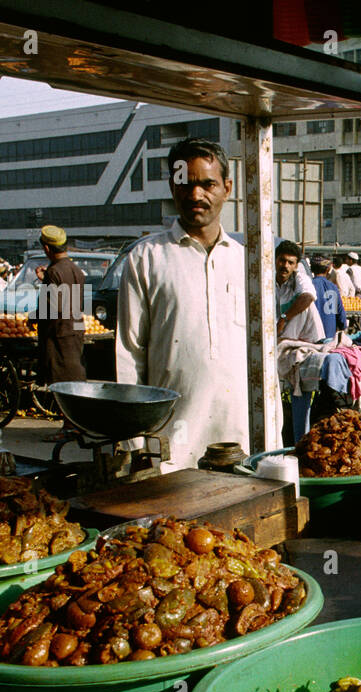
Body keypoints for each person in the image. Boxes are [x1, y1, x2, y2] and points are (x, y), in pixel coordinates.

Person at [116, 137, 249, 470]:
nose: (195, 195)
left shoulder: (248, 262)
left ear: (227, 187)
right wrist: (134, 441)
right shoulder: (146, 258)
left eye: (207, 184)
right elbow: (128, 354)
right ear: (171, 188)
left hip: (243, 437)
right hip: (173, 445)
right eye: (185, 185)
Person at [32, 225, 88, 440]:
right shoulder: (76, 270)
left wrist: (32, 319)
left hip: (58, 332)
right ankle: (77, 423)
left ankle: (69, 427)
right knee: (75, 379)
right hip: (75, 328)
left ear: (47, 248)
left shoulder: (54, 271)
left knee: (62, 381)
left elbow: (49, 308)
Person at [276, 240, 325, 441]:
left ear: (296, 265)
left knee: (301, 396)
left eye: (290, 262)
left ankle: (300, 440)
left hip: (307, 339)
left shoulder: (300, 278)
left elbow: (308, 297)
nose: (285, 266)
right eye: (282, 261)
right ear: (275, 260)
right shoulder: (267, 279)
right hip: (283, 338)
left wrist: (284, 318)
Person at [309, 256, 348, 338]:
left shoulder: (309, 285)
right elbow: (341, 313)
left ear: (311, 269)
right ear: (327, 269)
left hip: (312, 334)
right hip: (330, 335)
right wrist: (343, 327)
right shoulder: (333, 287)